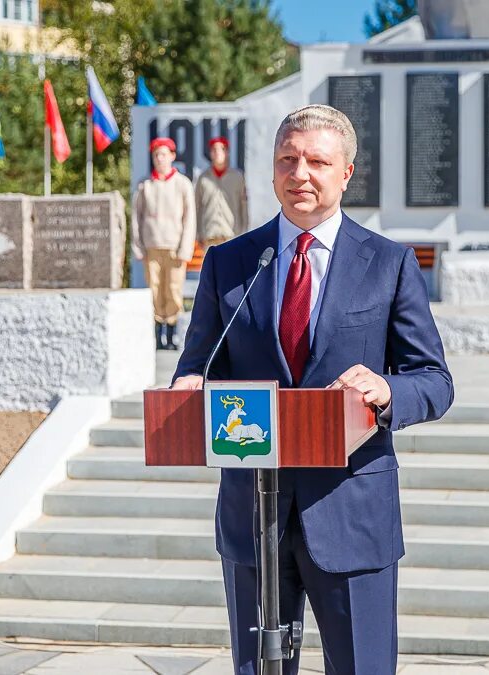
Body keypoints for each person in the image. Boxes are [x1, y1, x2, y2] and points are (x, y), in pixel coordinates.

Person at [172, 105, 454, 675]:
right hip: (254, 512)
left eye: (317, 161)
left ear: (346, 172)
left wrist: (387, 390)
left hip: (351, 514)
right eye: (287, 159)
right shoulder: (230, 262)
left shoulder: (389, 264)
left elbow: (435, 382)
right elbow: (200, 363)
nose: (300, 173)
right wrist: (191, 385)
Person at [132, 136, 196, 351]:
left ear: (172, 157)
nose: (160, 159)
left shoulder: (182, 184)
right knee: (155, 288)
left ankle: (171, 333)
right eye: (156, 155)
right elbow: (136, 217)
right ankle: (157, 333)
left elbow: (189, 218)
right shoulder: (145, 185)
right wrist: (137, 245)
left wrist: (185, 248)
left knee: (173, 289)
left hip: (174, 247)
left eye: (163, 154)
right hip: (152, 246)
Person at [195, 136, 248, 252]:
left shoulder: (237, 177)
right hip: (209, 238)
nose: (218, 153)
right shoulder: (203, 178)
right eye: (214, 150)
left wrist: (243, 233)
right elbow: (197, 207)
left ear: (227, 152)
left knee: (232, 270)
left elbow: (243, 206)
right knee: (211, 270)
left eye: (222, 149)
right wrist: (198, 234)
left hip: (231, 236)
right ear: (210, 153)